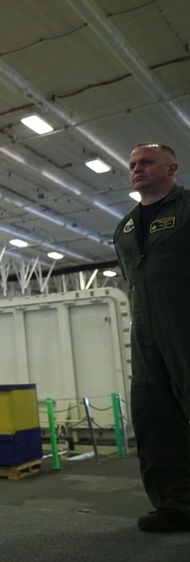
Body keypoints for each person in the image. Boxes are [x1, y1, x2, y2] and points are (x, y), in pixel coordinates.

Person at [114, 142, 190, 532]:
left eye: (146, 162)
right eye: (132, 165)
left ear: (172, 168)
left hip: (185, 324)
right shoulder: (124, 227)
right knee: (153, 416)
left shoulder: (187, 208)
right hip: (145, 331)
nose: (137, 169)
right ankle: (175, 504)